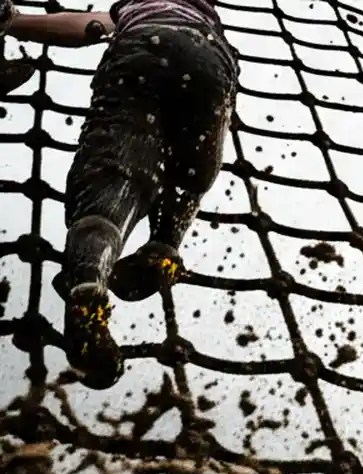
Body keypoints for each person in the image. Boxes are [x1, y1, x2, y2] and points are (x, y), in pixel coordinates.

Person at [4, 0, 238, 390]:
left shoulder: (138, 7)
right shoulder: (204, 14)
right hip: (214, 62)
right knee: (189, 172)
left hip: (144, 47)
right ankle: (164, 248)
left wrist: (13, 21)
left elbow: (86, 25)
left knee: (109, 186)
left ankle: (87, 291)